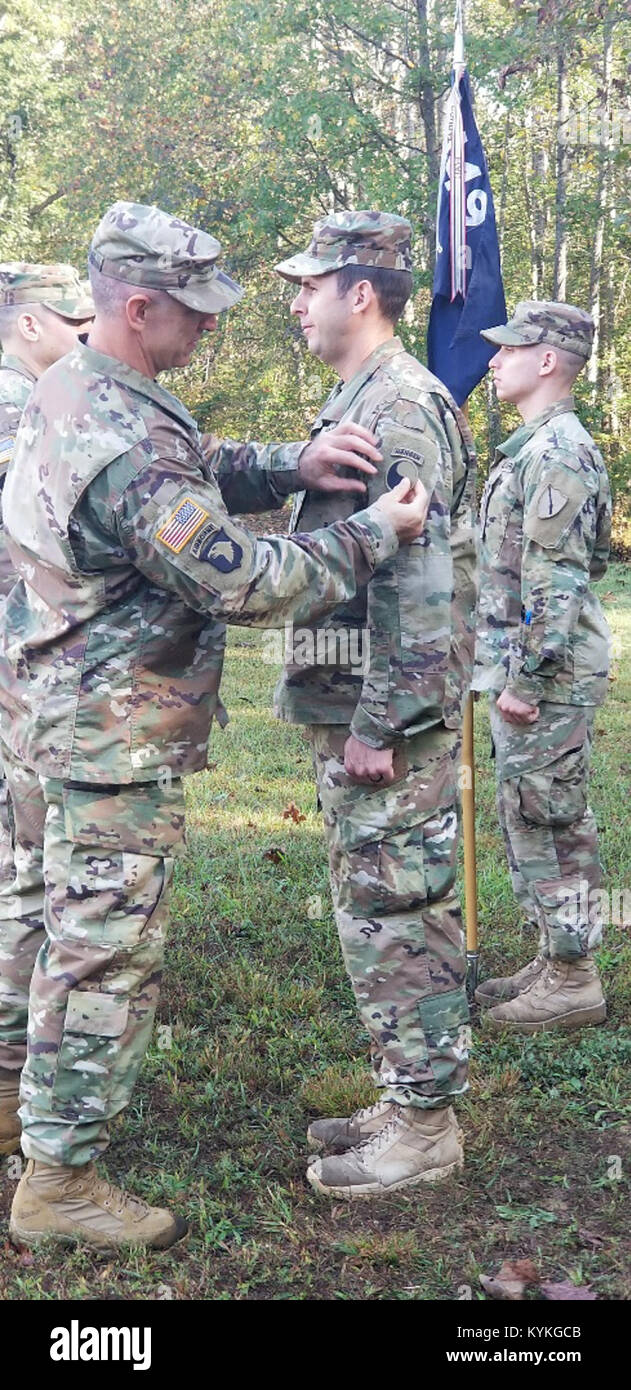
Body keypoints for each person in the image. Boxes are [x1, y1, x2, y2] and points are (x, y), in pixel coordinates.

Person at [0, 201, 428, 1249]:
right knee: (104, 949)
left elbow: (196, 464)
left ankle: (21, 1104)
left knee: (42, 920)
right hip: (110, 733)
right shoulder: (118, 436)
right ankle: (59, 1181)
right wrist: (376, 530)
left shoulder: (84, 388)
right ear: (137, 306)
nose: (213, 329)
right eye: (194, 313)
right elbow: (241, 579)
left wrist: (289, 464)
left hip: (55, 712)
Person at [259, 210, 478, 1197]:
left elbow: (418, 590)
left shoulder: (400, 404)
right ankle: (405, 1091)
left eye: (310, 283)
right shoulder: (361, 393)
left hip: (383, 722)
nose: (296, 300)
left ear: (361, 291)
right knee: (374, 910)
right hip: (354, 705)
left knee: (400, 909)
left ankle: (426, 1126)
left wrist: (379, 724)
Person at [472, 301, 611, 1033]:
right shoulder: (536, 446)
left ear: (547, 359)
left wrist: (526, 681)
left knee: (550, 819)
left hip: (545, 677)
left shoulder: (555, 451)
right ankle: (554, 954)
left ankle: (573, 978)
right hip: (528, 669)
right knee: (532, 815)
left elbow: (553, 580)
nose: (493, 361)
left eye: (508, 350)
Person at [0, 266, 95, 1160]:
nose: (87, 330)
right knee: (30, 873)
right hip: (27, 675)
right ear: (29, 322)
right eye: (73, 318)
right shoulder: (22, 407)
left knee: (23, 870)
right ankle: (21, 1074)